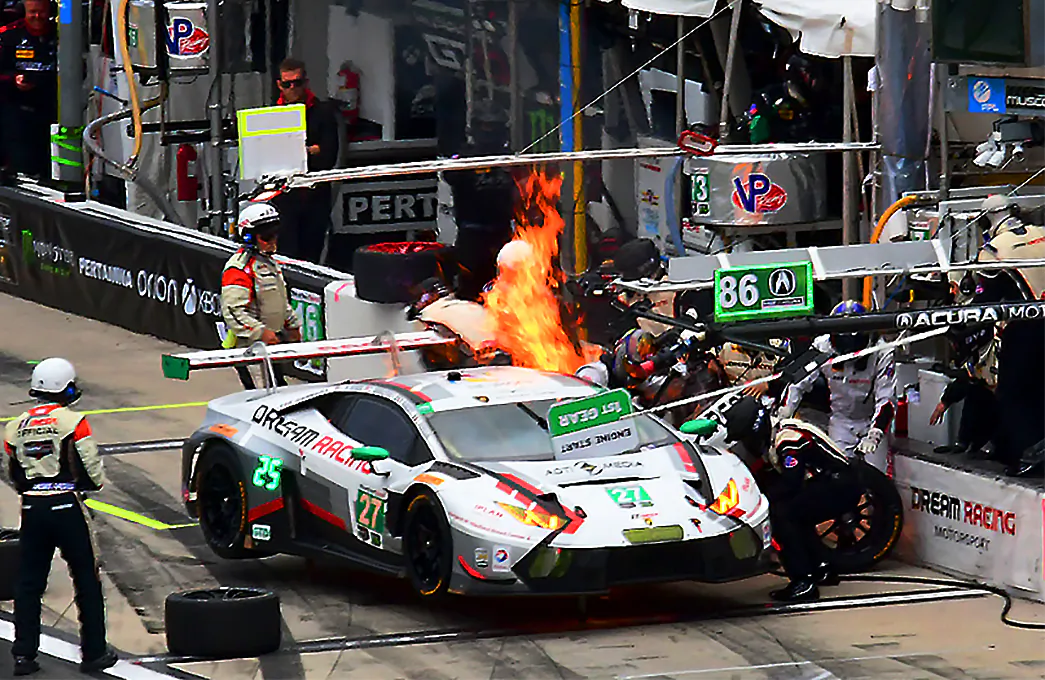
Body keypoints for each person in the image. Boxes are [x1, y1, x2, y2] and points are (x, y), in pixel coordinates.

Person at [4, 358, 117, 676]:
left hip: (32, 507)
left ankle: (23, 655)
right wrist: (91, 484)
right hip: (67, 505)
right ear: (65, 388)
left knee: (28, 582)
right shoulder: (74, 421)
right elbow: (91, 465)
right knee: (86, 579)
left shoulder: (14, 426)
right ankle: (94, 652)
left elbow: (14, 470)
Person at [723, 396, 859, 602]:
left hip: (841, 484)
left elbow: (791, 482)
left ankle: (802, 581)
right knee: (796, 512)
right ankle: (821, 567)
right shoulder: (777, 433)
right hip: (835, 481)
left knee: (782, 515)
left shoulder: (787, 440)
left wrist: (760, 500)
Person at [779, 300, 896, 458]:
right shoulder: (822, 346)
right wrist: (785, 412)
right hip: (841, 421)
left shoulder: (882, 351)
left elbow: (886, 398)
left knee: (875, 468)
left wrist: (875, 433)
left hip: (872, 421)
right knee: (838, 466)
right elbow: (798, 382)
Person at [221, 202, 302, 389]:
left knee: (280, 391)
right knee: (262, 396)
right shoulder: (239, 268)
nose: (273, 241)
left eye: (275, 234)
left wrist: (292, 324)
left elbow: (279, 301)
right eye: (266, 237)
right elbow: (233, 312)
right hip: (250, 350)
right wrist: (261, 333)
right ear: (248, 237)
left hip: (270, 347)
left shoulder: (269, 263)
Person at [270, 57, 339, 264]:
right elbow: (266, 157)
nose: (293, 88)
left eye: (297, 82)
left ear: (306, 82)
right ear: (279, 85)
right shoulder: (271, 114)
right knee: (285, 255)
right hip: (283, 197)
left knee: (312, 256)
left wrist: (297, 152)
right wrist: (310, 150)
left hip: (314, 196)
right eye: (287, 84)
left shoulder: (323, 112)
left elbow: (329, 156)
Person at [0, 0, 56, 180]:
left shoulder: (61, 34)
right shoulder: (9, 35)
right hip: (17, 107)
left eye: (41, 12)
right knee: (22, 159)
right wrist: (13, 79)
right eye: (32, 12)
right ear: (24, 11)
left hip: (52, 107)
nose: (37, 16)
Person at [929, 324, 998, 457]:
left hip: (1009, 429)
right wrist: (945, 401)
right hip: (985, 394)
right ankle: (964, 442)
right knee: (975, 389)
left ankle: (989, 446)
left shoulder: (998, 348)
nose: (953, 347)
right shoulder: (977, 355)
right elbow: (969, 378)